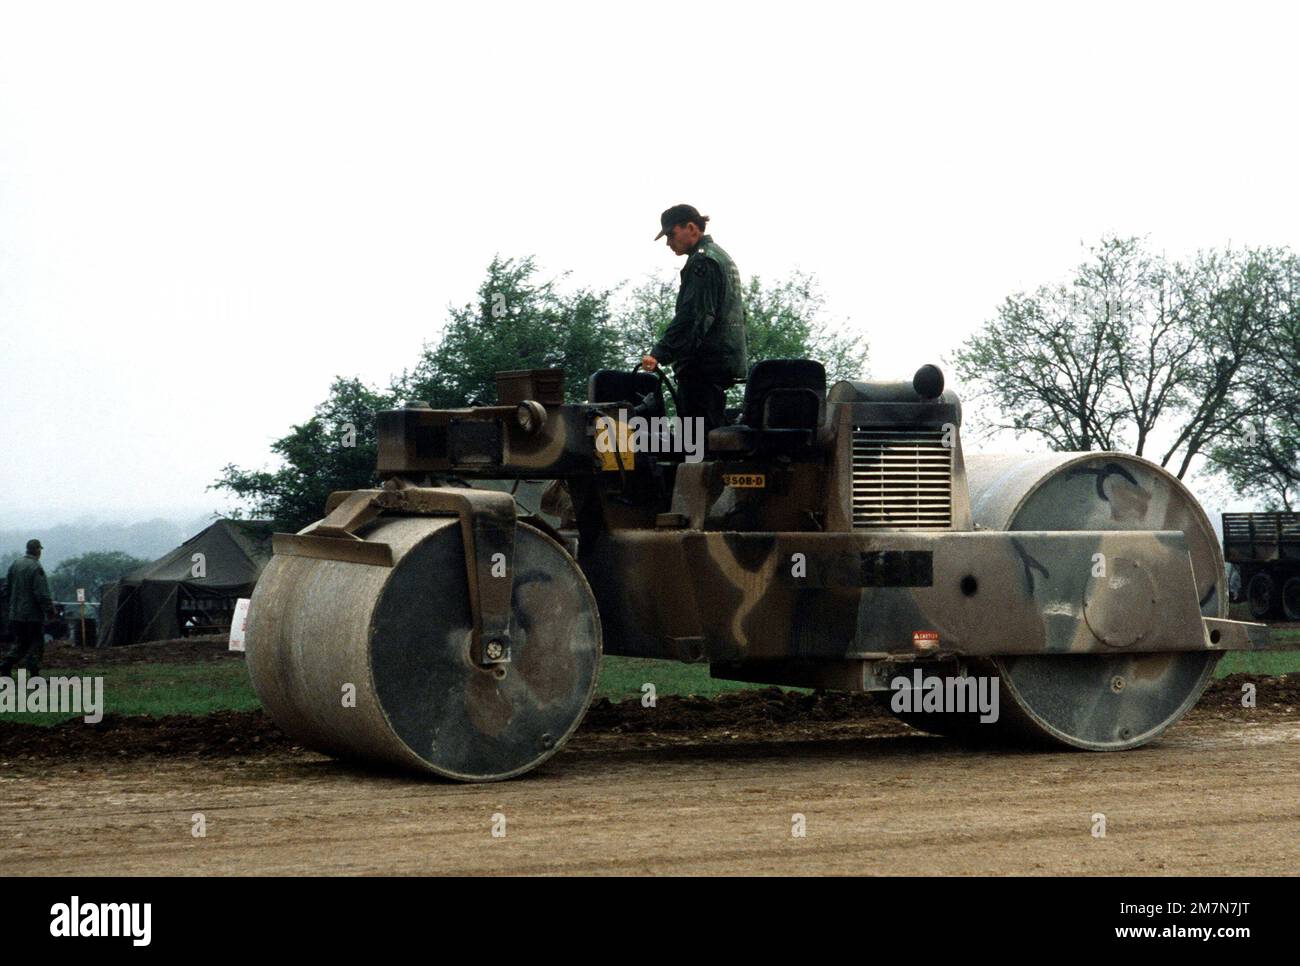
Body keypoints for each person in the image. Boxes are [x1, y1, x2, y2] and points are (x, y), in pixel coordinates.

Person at [642, 204, 748, 433]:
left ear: (691, 228)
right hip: (717, 364)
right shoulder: (720, 256)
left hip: (703, 367)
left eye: (671, 234)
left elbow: (694, 317)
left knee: (696, 446)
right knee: (707, 439)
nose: (669, 242)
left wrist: (659, 353)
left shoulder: (703, 262)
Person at [1, 539, 55, 678]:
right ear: (37, 550)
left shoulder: (15, 564)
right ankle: (35, 674)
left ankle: (6, 665)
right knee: (36, 643)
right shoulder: (36, 567)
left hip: (15, 614)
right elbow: (41, 593)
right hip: (32, 615)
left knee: (21, 642)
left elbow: (6, 589)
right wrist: (50, 610)